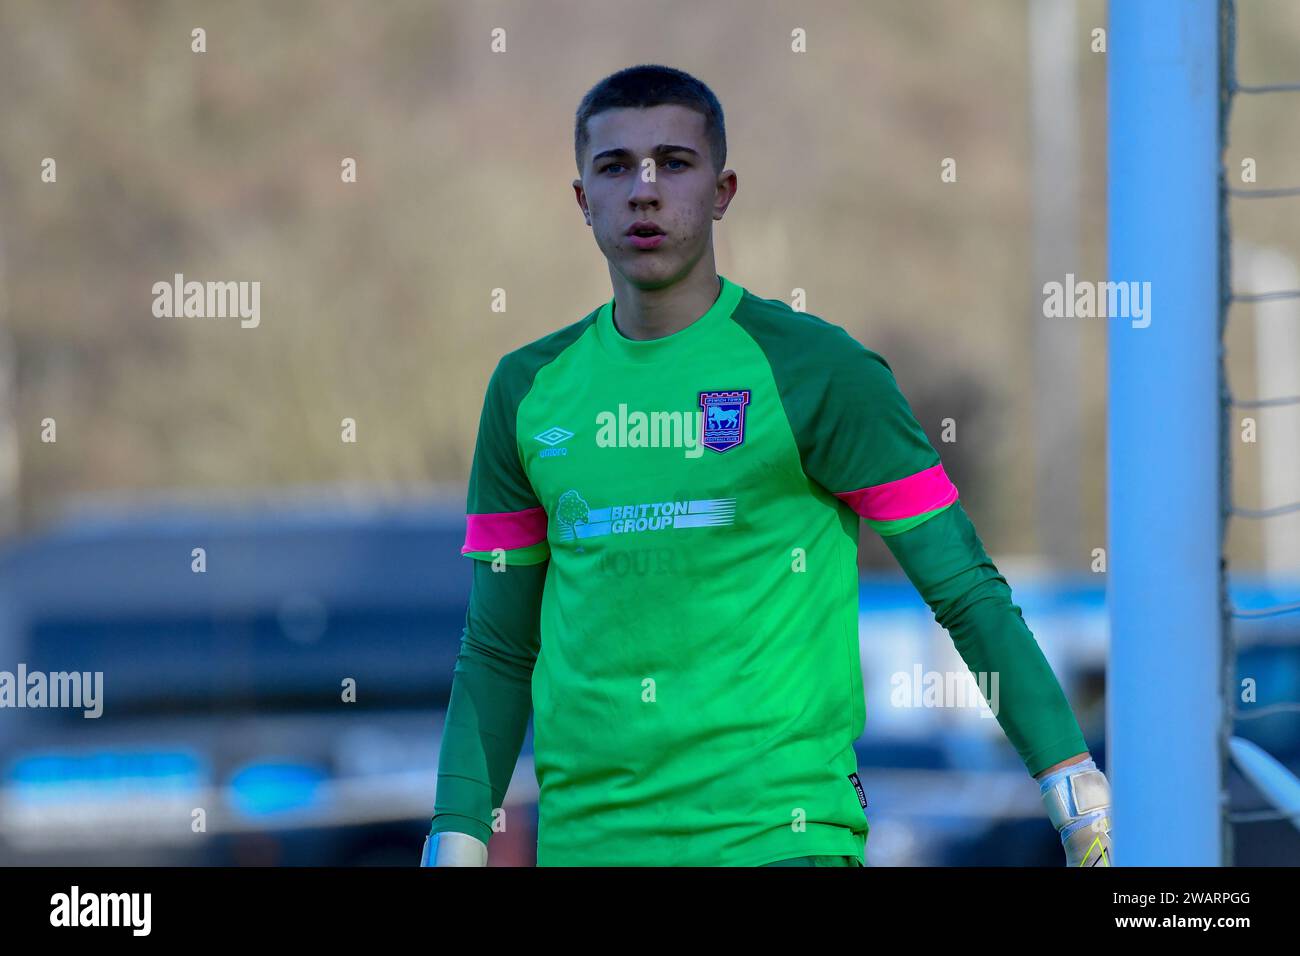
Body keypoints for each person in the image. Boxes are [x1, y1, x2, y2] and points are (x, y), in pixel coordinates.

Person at [422, 64, 1112, 867]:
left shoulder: (817, 370)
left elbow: (965, 592)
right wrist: (457, 834)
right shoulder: (527, 391)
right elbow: (499, 649)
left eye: (674, 163)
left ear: (722, 190)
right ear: (582, 200)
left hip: (782, 843)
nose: (644, 192)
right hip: (588, 847)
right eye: (615, 167)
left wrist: (1074, 790)